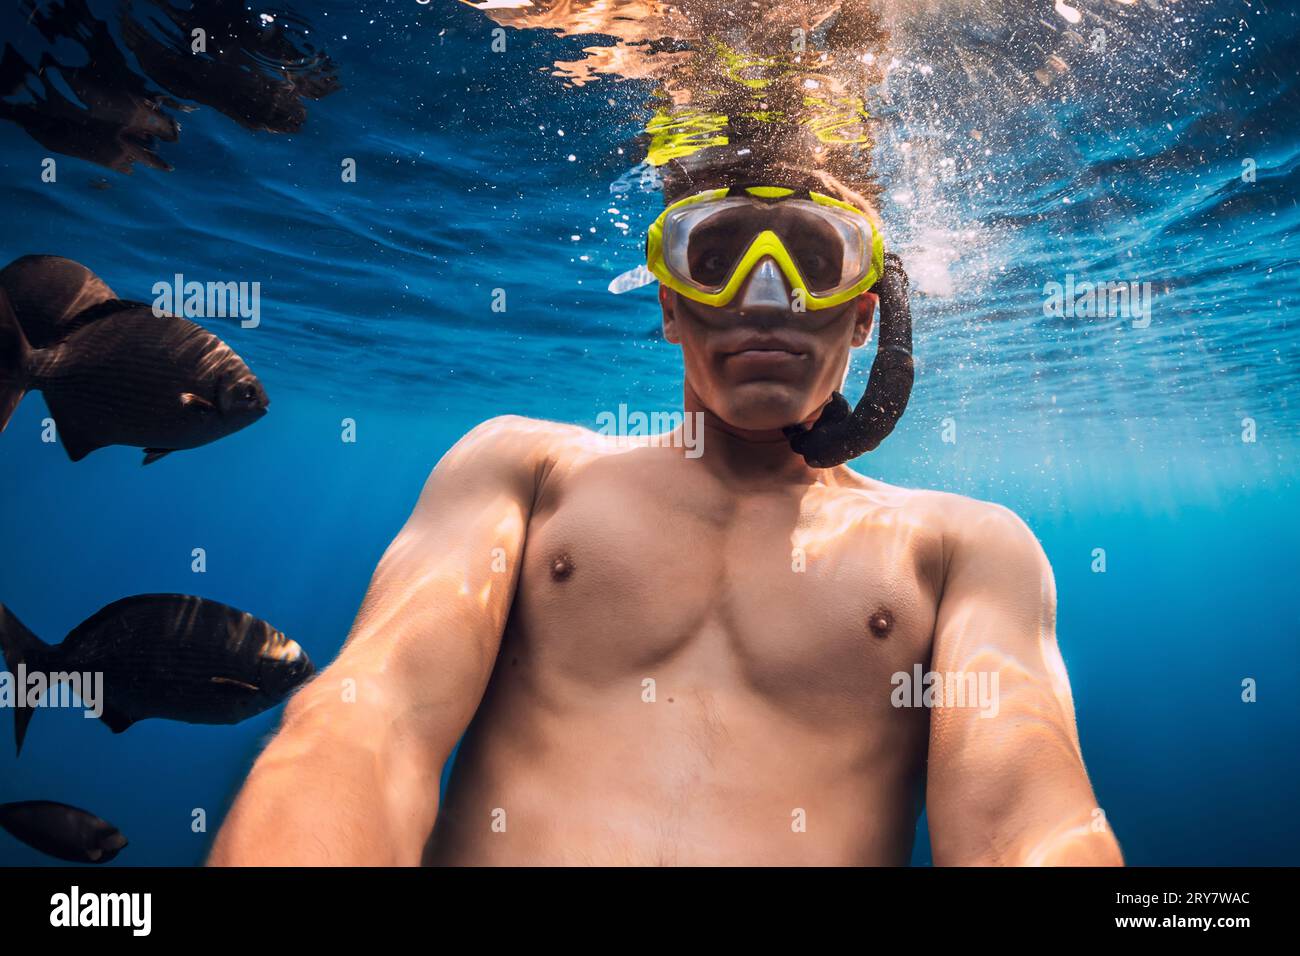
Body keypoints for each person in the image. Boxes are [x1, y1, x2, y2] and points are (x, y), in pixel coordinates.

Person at [208, 175, 1123, 866]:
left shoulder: (964, 548)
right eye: (719, 259)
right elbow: (370, 718)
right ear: (670, 305)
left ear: (865, 320)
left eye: (815, 260)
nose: (767, 298)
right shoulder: (525, 470)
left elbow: (1023, 816)